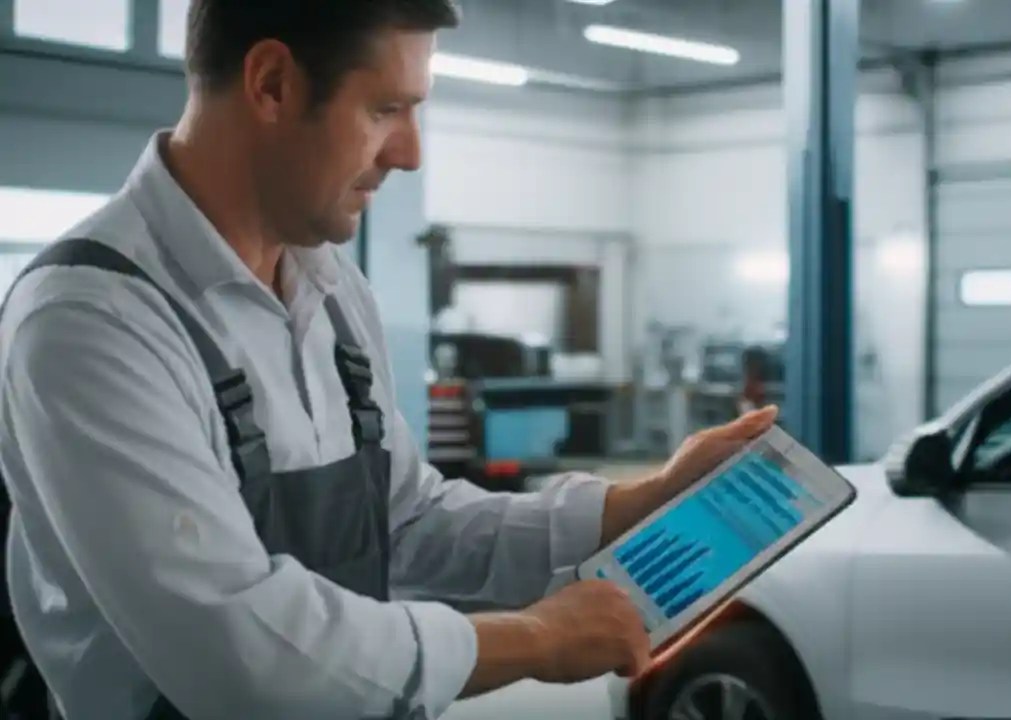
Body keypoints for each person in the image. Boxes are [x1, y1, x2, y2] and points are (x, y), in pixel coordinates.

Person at [0, 2, 779, 718]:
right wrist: (534, 638)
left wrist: (635, 504)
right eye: (385, 109)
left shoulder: (333, 291)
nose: (408, 153)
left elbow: (406, 522)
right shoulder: (92, 321)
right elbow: (239, 652)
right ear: (271, 84)